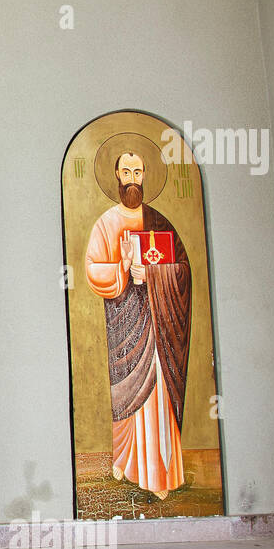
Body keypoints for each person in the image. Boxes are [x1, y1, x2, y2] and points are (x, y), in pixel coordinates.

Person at [84, 150, 191, 498]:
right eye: (125, 171)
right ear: (116, 175)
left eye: (138, 171)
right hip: (123, 319)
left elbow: (184, 271)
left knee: (156, 389)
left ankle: (159, 472)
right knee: (126, 391)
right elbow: (93, 269)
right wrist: (123, 269)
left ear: (145, 175)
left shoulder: (160, 223)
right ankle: (127, 460)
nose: (132, 178)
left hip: (158, 321)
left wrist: (155, 274)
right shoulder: (106, 222)